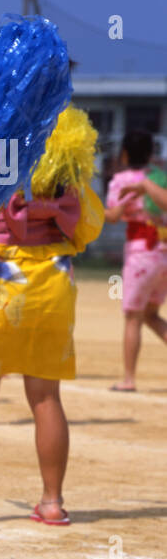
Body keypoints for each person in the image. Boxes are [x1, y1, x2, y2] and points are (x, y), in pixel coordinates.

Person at [0, 107, 104, 525]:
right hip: (52, 281)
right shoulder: (64, 148)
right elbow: (86, 227)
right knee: (46, 397)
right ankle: (52, 501)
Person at [104, 129, 167, 391]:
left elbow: (112, 216)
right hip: (163, 251)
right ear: (151, 152)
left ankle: (129, 378)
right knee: (151, 315)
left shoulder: (122, 180)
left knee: (132, 316)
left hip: (142, 254)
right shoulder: (159, 177)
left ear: (125, 154)